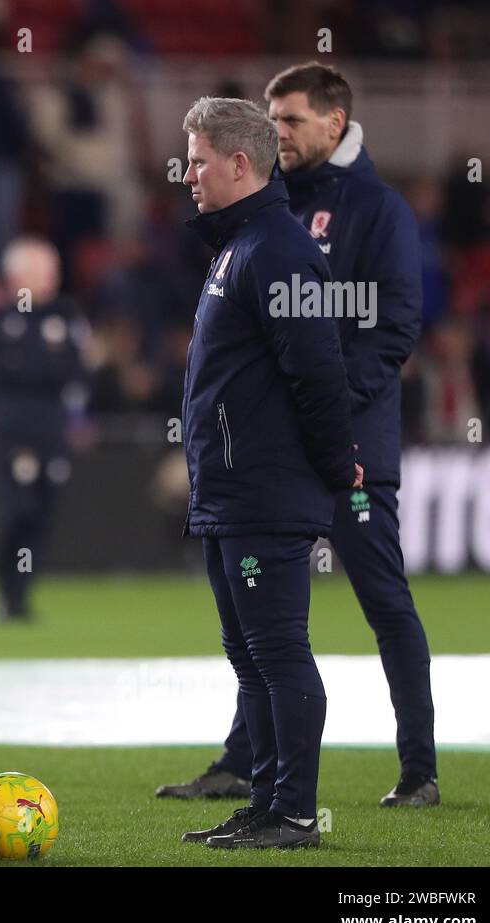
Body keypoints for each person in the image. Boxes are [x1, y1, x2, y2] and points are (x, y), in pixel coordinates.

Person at [158, 63, 437, 809]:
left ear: (334, 122)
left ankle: (419, 768)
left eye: (291, 119)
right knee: (261, 629)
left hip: (348, 445)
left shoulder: (376, 211)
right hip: (283, 445)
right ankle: (244, 766)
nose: (278, 130)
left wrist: (333, 421)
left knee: (380, 603)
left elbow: (391, 331)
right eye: (272, 118)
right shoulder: (262, 216)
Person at [174, 97, 361, 849]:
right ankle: (265, 802)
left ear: (240, 163)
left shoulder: (276, 250)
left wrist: (335, 465)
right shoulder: (243, 246)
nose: (188, 175)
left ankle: (294, 813)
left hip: (264, 488)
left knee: (278, 652)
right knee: (250, 657)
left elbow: (318, 373)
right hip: (233, 488)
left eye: (198, 162)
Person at [0, 236, 91, 620]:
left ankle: (19, 594)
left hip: (53, 430)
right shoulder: (2, 319)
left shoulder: (68, 315)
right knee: (21, 510)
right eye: (43, 270)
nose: (52, 277)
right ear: (17, 276)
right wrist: (48, 367)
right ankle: (7, 589)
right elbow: (4, 372)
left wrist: (78, 416)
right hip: (14, 432)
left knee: (44, 514)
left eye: (53, 270)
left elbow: (79, 371)